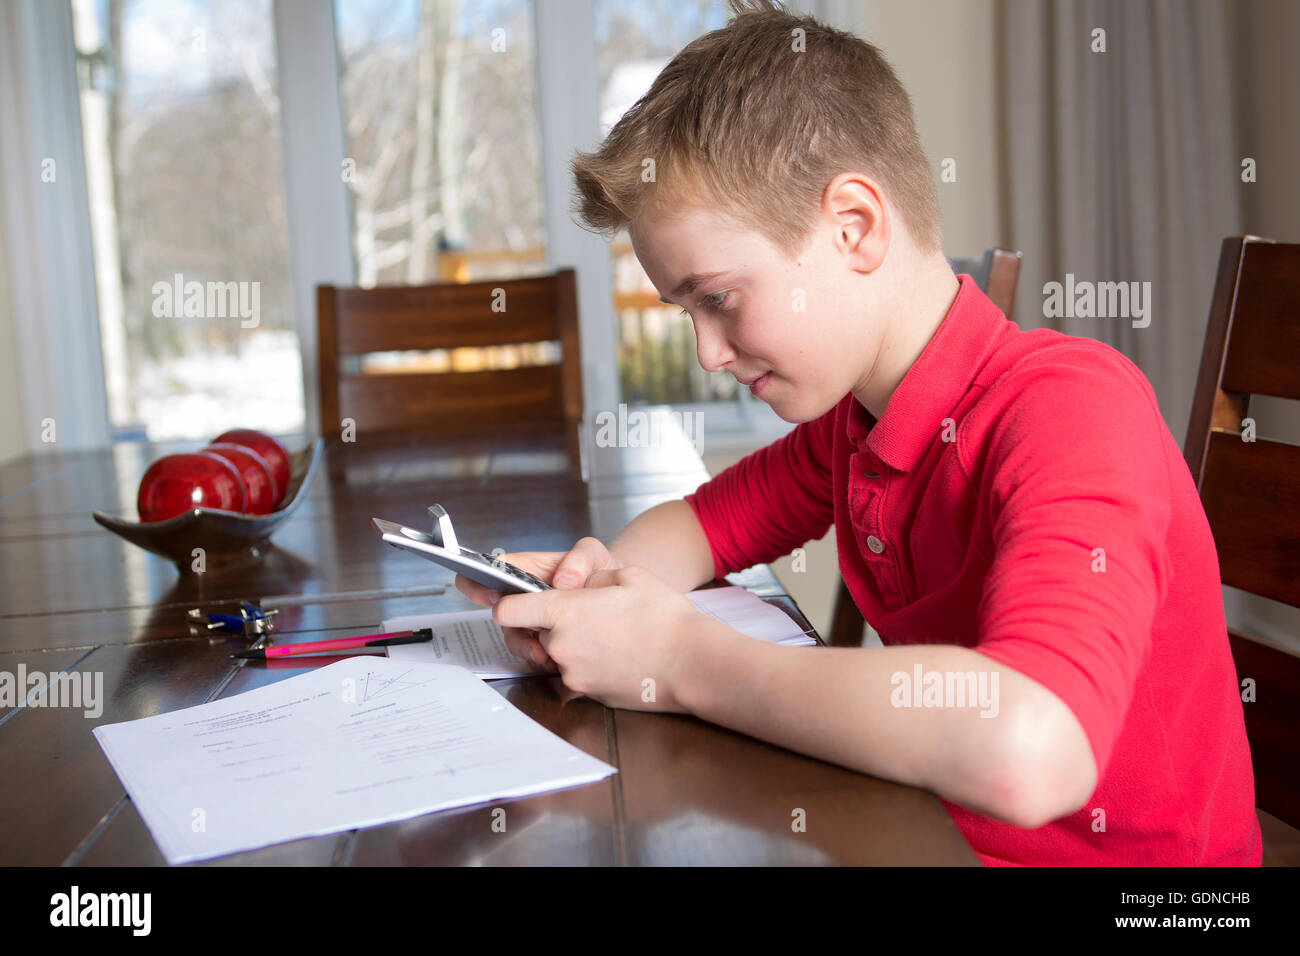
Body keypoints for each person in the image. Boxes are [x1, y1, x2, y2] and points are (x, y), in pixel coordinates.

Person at [455, 0, 1260, 865]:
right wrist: (597, 596)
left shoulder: (1073, 409)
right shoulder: (855, 423)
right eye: (686, 311)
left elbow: (1035, 746)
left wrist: (680, 658)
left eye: (718, 299)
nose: (707, 352)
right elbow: (696, 527)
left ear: (855, 228)